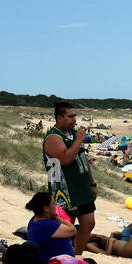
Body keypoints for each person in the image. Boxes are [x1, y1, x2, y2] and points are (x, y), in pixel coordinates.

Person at [43, 101, 97, 256]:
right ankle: (61, 255)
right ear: (59, 118)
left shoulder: (73, 134)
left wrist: (92, 183)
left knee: (89, 223)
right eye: (70, 116)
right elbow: (65, 159)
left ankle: (76, 255)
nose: (74, 119)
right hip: (65, 189)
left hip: (82, 187)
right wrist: (79, 140)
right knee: (67, 225)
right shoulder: (53, 138)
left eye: (75, 116)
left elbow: (83, 160)